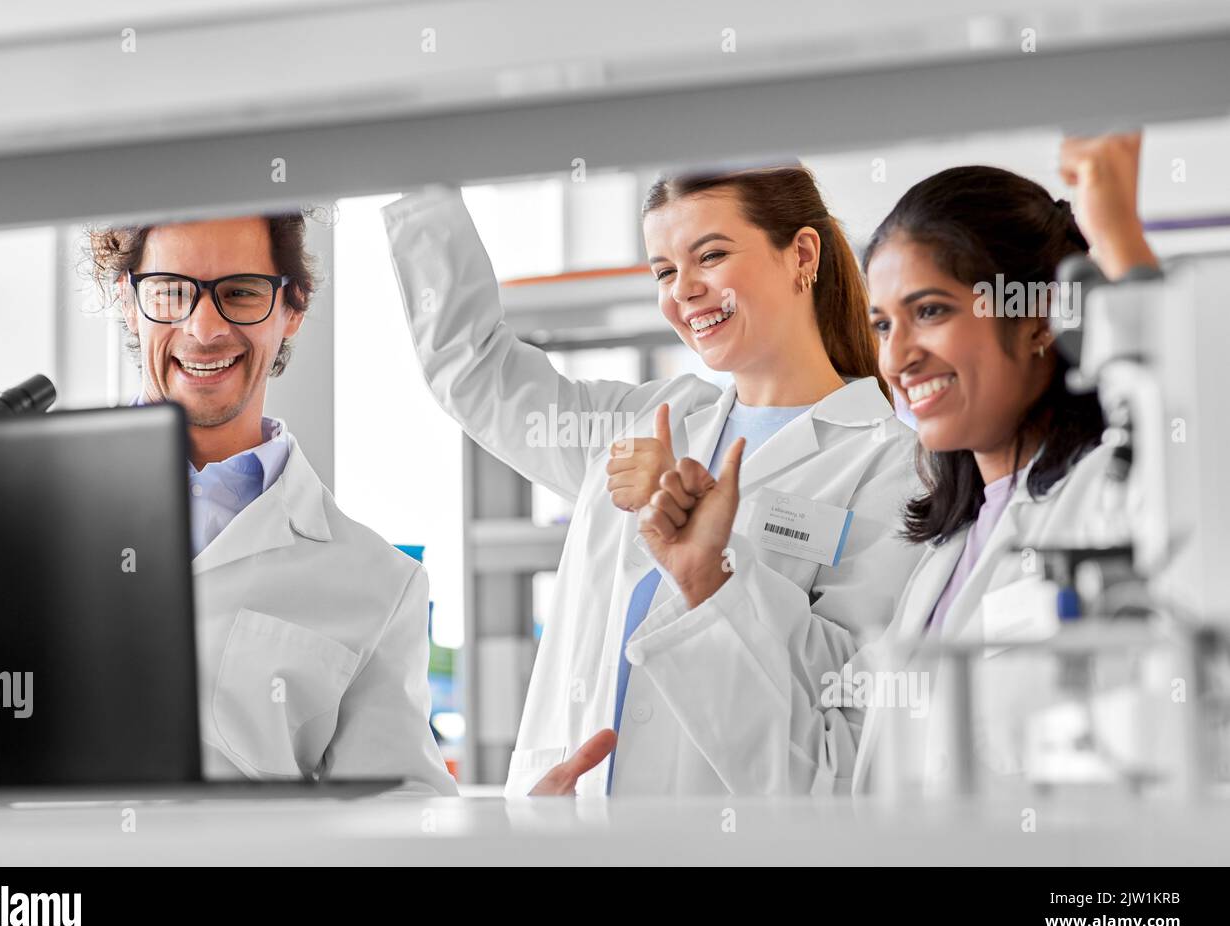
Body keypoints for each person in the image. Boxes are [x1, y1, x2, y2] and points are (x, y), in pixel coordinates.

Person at [637, 133, 1159, 794]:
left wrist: (1124, 252)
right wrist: (705, 580)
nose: (899, 357)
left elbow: (1193, 447)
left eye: (931, 311)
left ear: (1039, 319)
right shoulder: (942, 556)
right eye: (884, 325)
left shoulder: (1113, 498)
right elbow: (829, 786)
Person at [384, 166, 922, 796]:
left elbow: (843, 703)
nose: (684, 291)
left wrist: (717, 565)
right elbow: (475, 373)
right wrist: (420, 173)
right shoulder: (641, 424)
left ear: (801, 255)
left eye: (711, 255)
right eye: (664, 271)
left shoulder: (892, 468)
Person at [88, 213, 457, 794]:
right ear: (129, 302)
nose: (203, 327)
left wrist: (517, 836)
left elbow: (397, 819)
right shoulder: (8, 508)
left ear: (293, 308)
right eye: (170, 292)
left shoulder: (380, 583)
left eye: (239, 293)